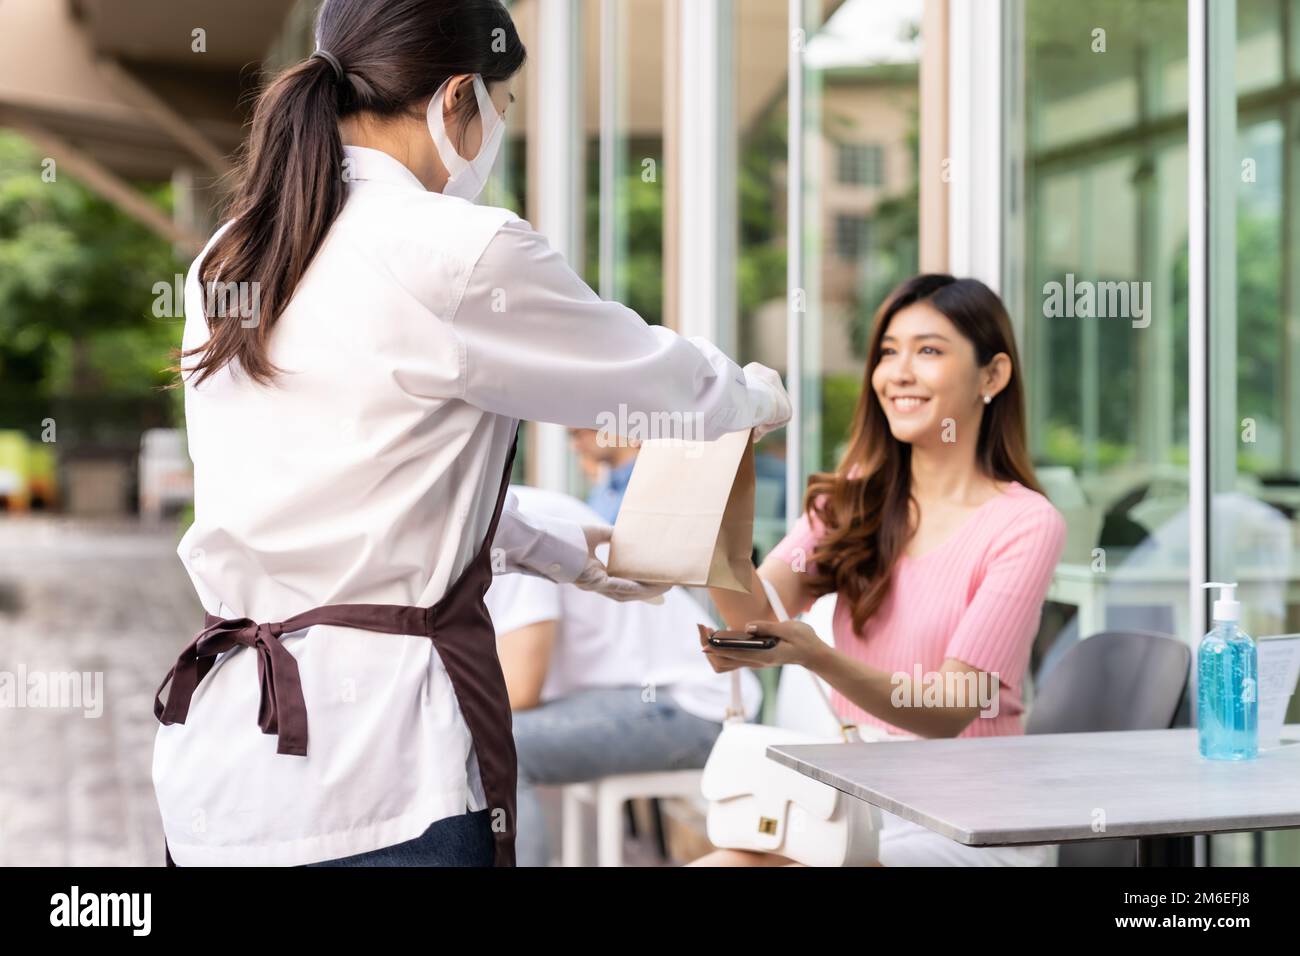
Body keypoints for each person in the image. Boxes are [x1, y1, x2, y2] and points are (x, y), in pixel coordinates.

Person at [152, 0, 790, 868]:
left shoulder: (232, 253)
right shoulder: (456, 249)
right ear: (458, 98)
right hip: (385, 776)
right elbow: (652, 379)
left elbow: (345, 484)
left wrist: (560, 547)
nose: (497, 132)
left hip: (223, 774)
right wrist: (755, 397)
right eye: (503, 107)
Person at [688, 274, 1067, 867]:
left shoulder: (1024, 524)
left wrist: (817, 655)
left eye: (930, 350)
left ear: (992, 376)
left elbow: (950, 709)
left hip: (972, 821)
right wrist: (730, 461)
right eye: (888, 351)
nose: (899, 372)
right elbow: (759, 614)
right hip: (855, 803)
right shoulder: (852, 503)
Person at [484, 484, 762, 866]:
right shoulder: (494, 517)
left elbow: (520, 687)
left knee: (494, 746)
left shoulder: (514, 526)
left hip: (699, 707)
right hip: (633, 695)